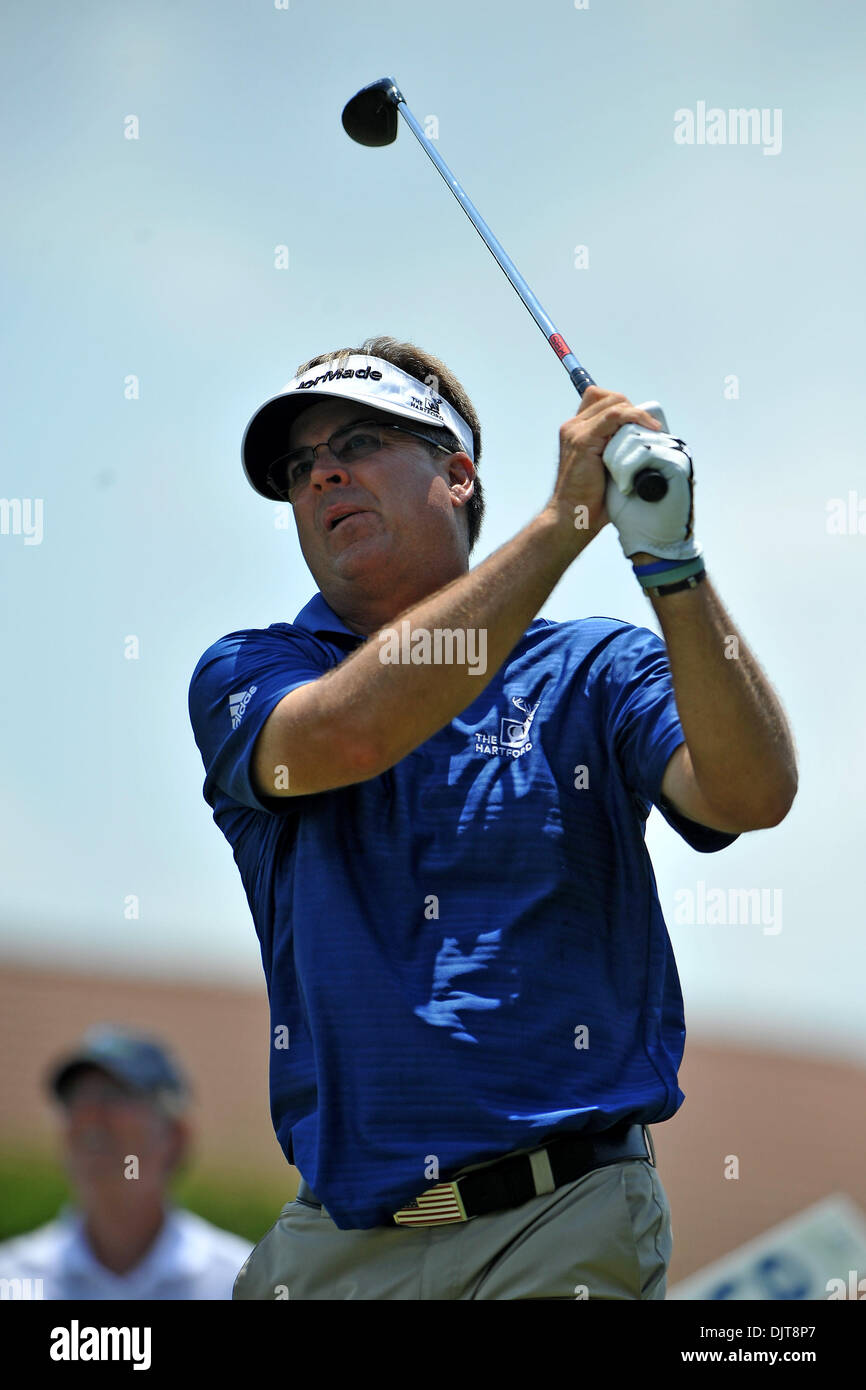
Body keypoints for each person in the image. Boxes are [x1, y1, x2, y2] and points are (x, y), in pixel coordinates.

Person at [187, 334, 797, 1300]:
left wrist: (670, 562)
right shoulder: (251, 670)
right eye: (299, 466)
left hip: (563, 1218)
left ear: (459, 474)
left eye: (358, 440)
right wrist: (565, 521)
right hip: (340, 1235)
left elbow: (751, 795)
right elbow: (346, 740)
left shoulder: (597, 670)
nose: (322, 472)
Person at [0, 1025, 253, 1299]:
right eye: (76, 1097)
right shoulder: (14, 1280)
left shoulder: (238, 1283)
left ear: (175, 1135)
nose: (90, 1115)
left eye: (114, 1095)